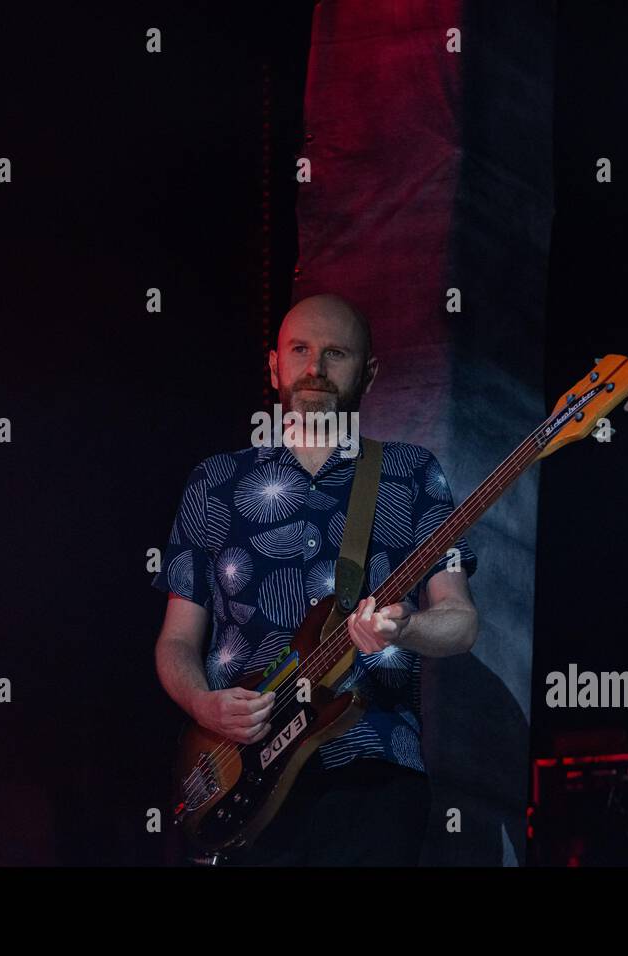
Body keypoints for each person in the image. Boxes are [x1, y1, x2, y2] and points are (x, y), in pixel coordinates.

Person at [152, 293, 479, 865]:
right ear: (274, 364)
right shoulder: (215, 482)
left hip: (370, 771)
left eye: (336, 353)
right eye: (299, 350)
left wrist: (404, 629)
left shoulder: (412, 473)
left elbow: (460, 622)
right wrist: (203, 705)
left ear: (369, 373)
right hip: (239, 777)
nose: (315, 369)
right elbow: (177, 640)